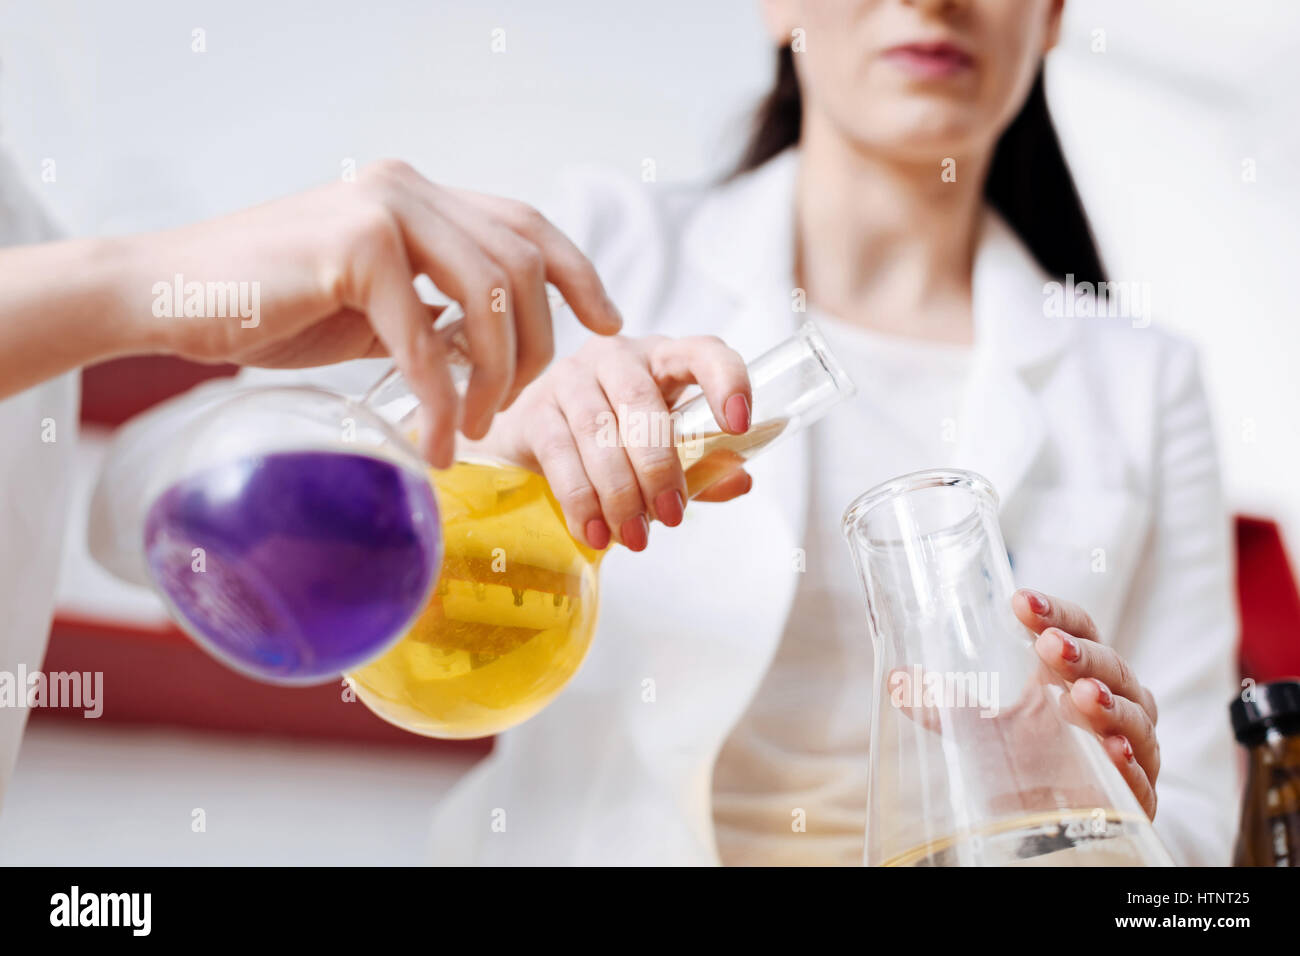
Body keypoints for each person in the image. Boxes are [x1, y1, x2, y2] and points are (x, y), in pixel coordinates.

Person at [419, 0, 1238, 865]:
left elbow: (1193, 843)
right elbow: (364, 612)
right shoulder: (600, 259)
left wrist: (1084, 811)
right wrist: (491, 475)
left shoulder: (1145, 381)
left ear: (1052, 16)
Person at [0, 153, 621, 806]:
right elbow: (138, 509)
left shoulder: (27, 226)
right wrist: (139, 282)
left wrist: (134, 287)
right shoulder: (593, 240)